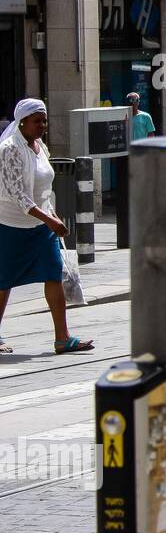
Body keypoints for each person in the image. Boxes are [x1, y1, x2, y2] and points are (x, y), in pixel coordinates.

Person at [0, 100, 94, 355]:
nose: (43, 125)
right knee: (3, 280)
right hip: (12, 226)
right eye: (37, 121)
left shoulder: (40, 146)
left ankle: (62, 338)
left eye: (44, 120)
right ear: (22, 122)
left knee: (53, 272)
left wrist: (51, 214)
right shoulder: (9, 149)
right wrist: (50, 220)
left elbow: (43, 188)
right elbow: (18, 195)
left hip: (41, 226)